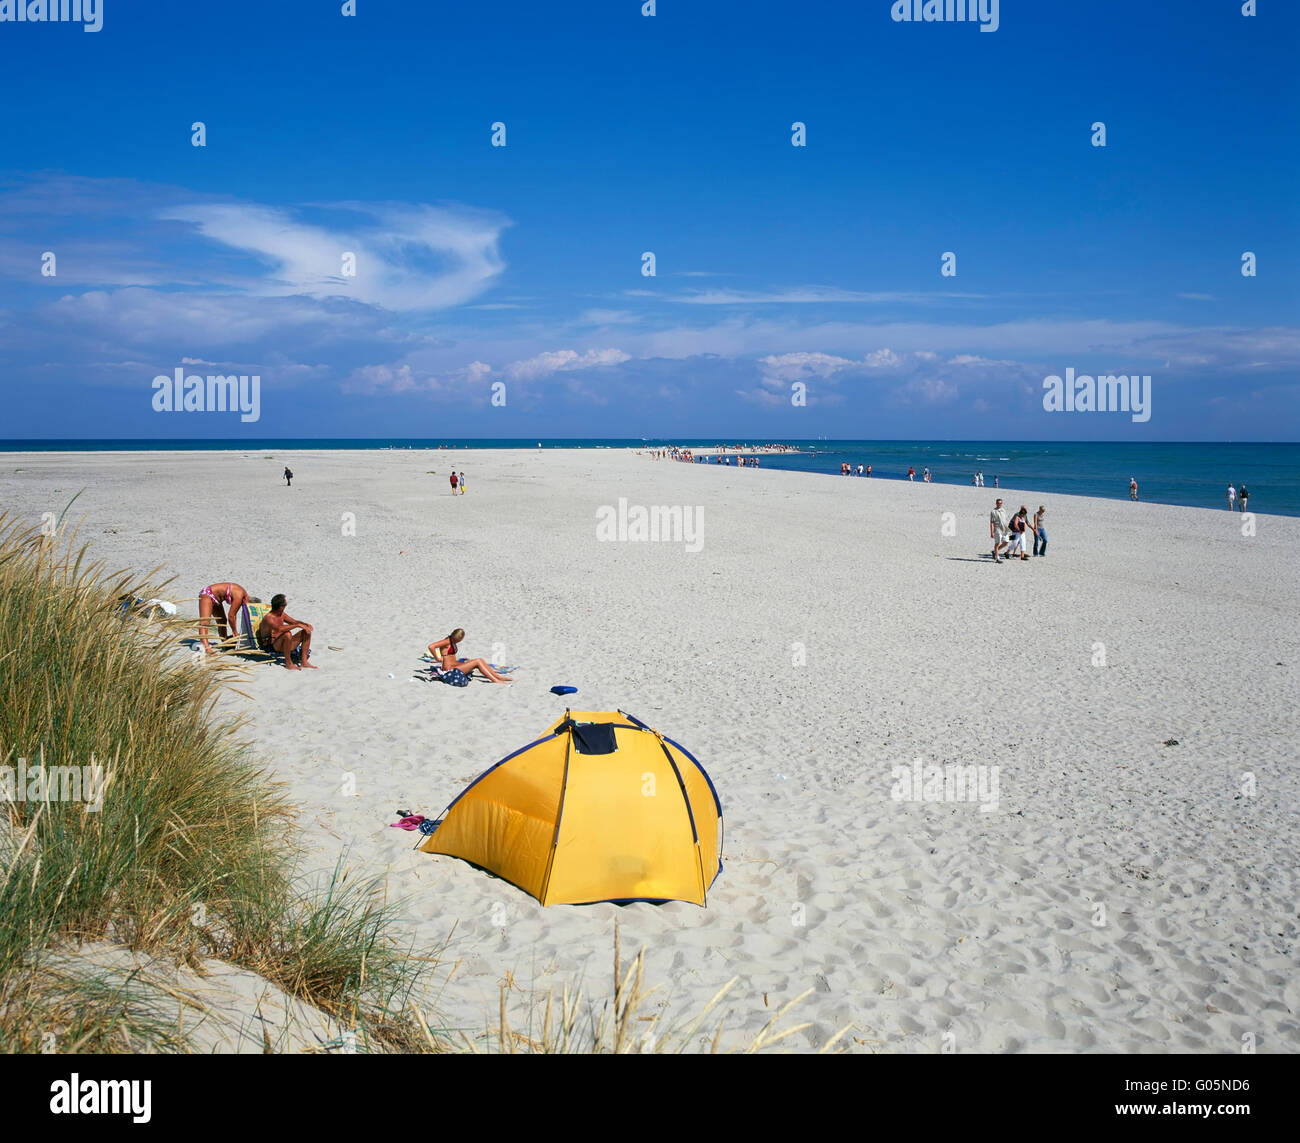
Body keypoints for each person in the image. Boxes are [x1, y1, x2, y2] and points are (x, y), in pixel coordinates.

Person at [428, 628, 512, 684]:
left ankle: (497, 676)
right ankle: (495, 680)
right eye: (456, 640)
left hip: (454, 664)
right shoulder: (446, 641)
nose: (457, 642)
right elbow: (431, 646)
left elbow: (447, 654)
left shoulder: (451, 640)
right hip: (449, 669)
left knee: (480, 660)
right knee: (478, 661)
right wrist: (437, 657)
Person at [256, 593, 317, 670]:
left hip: (284, 643)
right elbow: (279, 629)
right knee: (287, 634)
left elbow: (293, 622)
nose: (286, 606)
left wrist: (305, 624)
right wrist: (298, 625)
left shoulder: (281, 614)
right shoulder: (269, 618)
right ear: (280, 607)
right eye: (285, 604)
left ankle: (304, 662)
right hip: (272, 646)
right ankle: (289, 663)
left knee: (306, 632)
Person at [198, 581, 250, 654]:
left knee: (222, 621)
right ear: (246, 599)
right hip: (207, 594)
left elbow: (233, 616)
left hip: (216, 599)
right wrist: (235, 632)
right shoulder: (239, 596)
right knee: (205, 623)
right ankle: (207, 648)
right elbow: (231, 616)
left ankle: (225, 644)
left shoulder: (242, 596)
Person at [989, 498, 1009, 563]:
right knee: (997, 543)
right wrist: (991, 532)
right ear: (996, 503)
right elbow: (991, 522)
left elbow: (1006, 519)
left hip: (1004, 529)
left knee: (1006, 542)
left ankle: (994, 551)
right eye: (998, 503)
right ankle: (997, 558)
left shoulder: (1003, 510)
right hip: (997, 528)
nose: (1000, 504)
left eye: (1001, 503)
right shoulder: (993, 511)